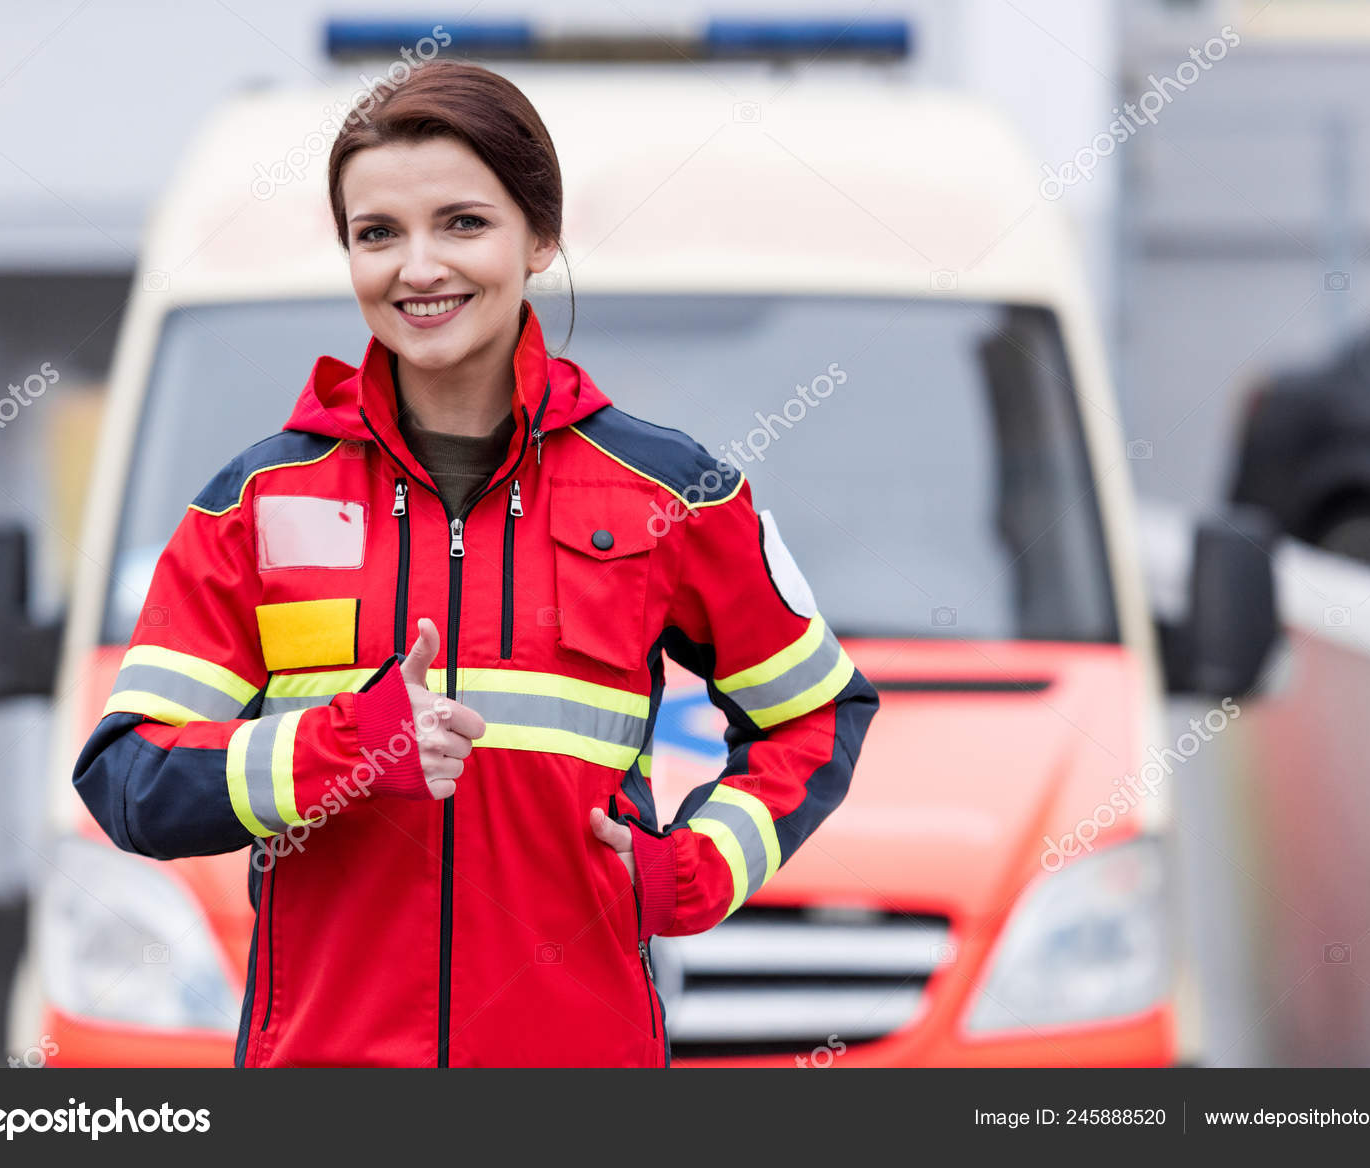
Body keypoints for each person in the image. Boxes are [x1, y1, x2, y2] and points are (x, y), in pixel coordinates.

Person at [73, 59, 879, 1068]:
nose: (418, 268)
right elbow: (129, 780)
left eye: (462, 222)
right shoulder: (257, 506)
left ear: (539, 238)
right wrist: (345, 744)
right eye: (377, 234)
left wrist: (695, 868)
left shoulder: (673, 492)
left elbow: (815, 711)